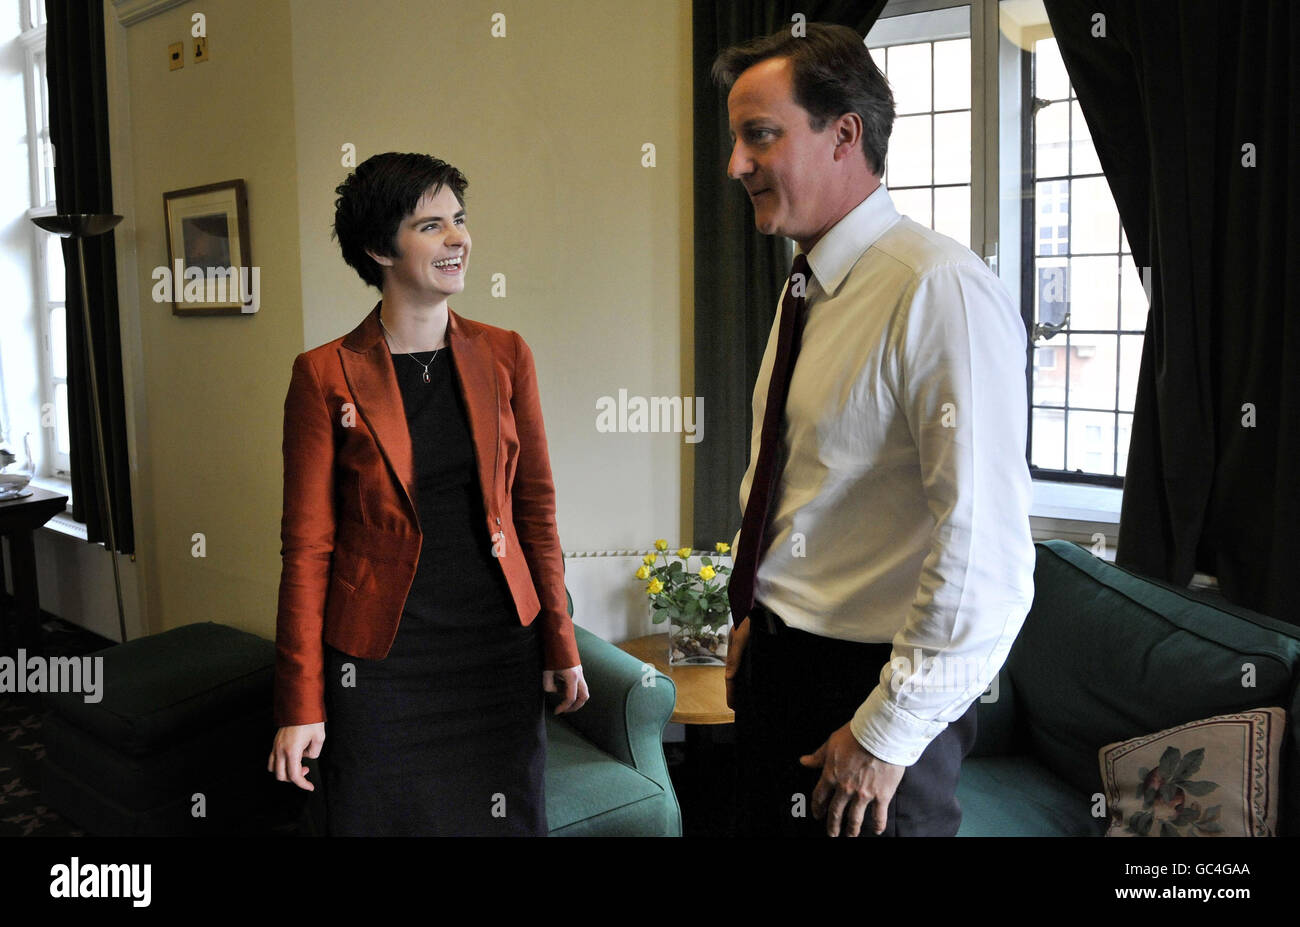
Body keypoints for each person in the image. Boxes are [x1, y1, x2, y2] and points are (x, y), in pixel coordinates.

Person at [715, 24, 1036, 837]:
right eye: (735, 140)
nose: (735, 166)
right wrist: (758, 616)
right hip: (780, 669)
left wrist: (885, 732)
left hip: (867, 702)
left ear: (844, 134)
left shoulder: (937, 289)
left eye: (760, 136)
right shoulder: (807, 290)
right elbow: (810, 487)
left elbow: (986, 556)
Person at [266, 152, 587, 836]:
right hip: (382, 665)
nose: (458, 239)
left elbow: (536, 511)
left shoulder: (505, 354)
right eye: (431, 225)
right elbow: (307, 550)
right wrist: (300, 701)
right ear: (379, 248)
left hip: (497, 650)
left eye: (460, 221)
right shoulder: (324, 374)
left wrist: (560, 640)